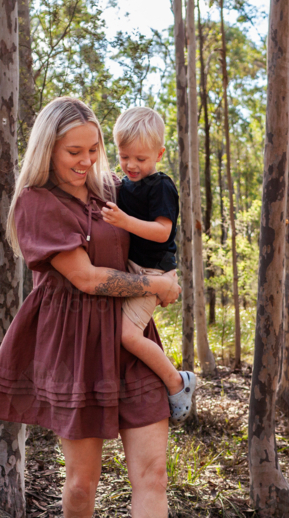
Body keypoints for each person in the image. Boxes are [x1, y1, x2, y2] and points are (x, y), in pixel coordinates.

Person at [0, 96, 199, 518]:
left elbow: (154, 231)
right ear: (47, 149)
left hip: (131, 343)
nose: (87, 161)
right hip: (77, 346)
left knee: (151, 474)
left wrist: (162, 277)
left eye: (94, 150)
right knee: (82, 481)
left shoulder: (112, 189)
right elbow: (83, 279)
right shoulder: (35, 203)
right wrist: (153, 289)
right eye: (74, 151)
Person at [101, 107, 197, 425]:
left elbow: (163, 230)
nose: (131, 165)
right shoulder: (123, 184)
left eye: (141, 159)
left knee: (128, 336)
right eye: (124, 156)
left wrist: (124, 220)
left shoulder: (161, 186)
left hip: (154, 271)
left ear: (159, 154)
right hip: (131, 268)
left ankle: (177, 382)